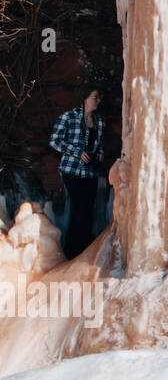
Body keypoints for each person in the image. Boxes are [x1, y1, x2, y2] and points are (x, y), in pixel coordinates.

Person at [48, 86, 106, 260]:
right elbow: (54, 141)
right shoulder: (69, 117)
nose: (98, 101)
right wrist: (76, 152)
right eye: (95, 97)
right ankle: (72, 251)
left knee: (88, 210)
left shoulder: (99, 121)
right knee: (78, 208)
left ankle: (85, 251)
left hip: (90, 172)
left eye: (98, 98)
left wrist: (100, 154)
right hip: (72, 170)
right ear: (85, 98)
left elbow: (98, 144)